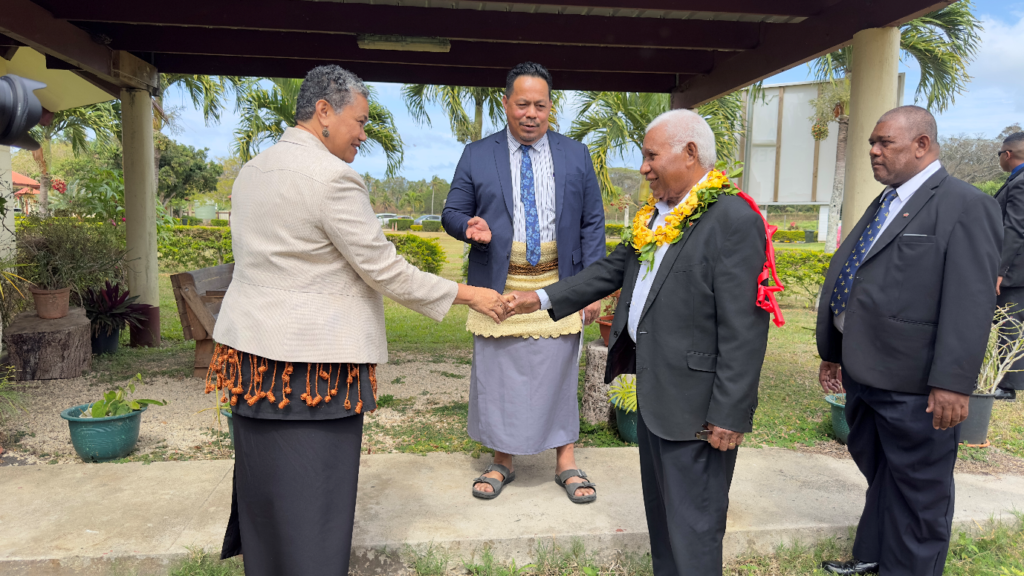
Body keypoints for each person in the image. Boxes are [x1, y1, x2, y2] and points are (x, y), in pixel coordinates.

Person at [208, 65, 509, 576]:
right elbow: (383, 268)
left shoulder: (252, 170)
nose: (364, 133)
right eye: (360, 120)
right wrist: (467, 294)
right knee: (313, 501)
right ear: (324, 112)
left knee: (267, 493)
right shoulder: (332, 179)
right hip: (312, 371)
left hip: (250, 363)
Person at [507, 109, 775, 575]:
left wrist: (729, 414)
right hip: (656, 396)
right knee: (664, 522)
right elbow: (610, 272)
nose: (645, 167)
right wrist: (540, 297)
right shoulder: (655, 216)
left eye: (652, 156)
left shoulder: (732, 216)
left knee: (695, 528)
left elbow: (744, 327)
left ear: (690, 153)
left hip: (698, 408)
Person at [816, 106, 1001, 576]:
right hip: (865, 373)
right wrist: (834, 352)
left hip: (917, 385)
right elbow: (859, 276)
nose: (873, 152)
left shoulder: (965, 205)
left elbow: (970, 301)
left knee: (920, 494)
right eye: (872, 144)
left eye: (884, 143)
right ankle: (874, 558)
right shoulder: (888, 200)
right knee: (883, 476)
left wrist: (953, 384)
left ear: (922, 145)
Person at [441, 62, 606, 503]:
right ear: (505, 104)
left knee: (559, 371)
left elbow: (593, 223)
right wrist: (466, 226)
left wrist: (592, 286)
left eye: (540, 105)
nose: (531, 114)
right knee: (499, 375)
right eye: (522, 104)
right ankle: (503, 459)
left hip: (558, 284)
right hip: (500, 286)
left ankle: (566, 462)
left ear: (551, 107)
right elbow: (451, 210)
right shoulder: (478, 153)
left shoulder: (576, 154)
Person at [994, 131, 1024, 401]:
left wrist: (999, 271)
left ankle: (1007, 386)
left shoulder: (1021, 183)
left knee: (1009, 323)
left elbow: (1014, 229)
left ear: (1008, 154)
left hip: (1015, 271)